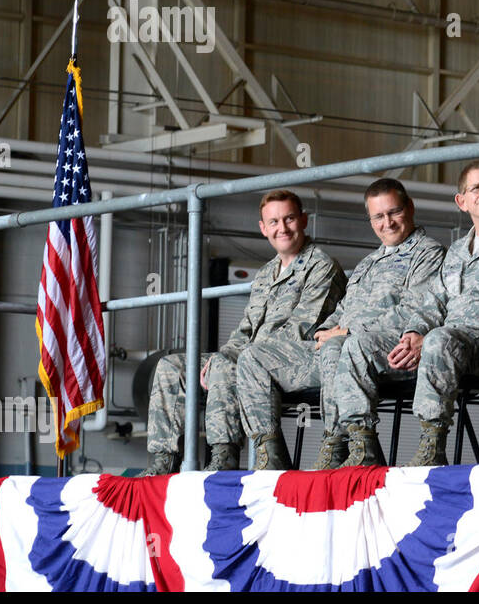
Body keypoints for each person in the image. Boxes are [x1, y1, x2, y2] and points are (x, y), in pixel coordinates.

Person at [328, 159, 479, 467]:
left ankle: (432, 446)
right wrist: (414, 333)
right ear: (462, 201)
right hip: (449, 345)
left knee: (440, 340)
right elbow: (433, 301)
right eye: (476, 187)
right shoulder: (457, 251)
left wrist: (433, 336)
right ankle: (362, 447)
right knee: (357, 346)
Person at [234, 179, 444, 470]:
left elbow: (416, 310)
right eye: (378, 216)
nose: (387, 223)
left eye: (393, 213)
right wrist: (326, 329)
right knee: (254, 358)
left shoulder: (428, 254)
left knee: (338, 345)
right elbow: (343, 309)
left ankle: (342, 445)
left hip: (387, 354)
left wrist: (348, 333)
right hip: (338, 352)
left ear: (410, 208)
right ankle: (270, 458)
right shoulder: (369, 262)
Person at [141, 190, 345, 474]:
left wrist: (237, 358)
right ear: (263, 228)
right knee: (171, 366)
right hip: (253, 356)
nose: (282, 228)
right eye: (273, 222)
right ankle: (163, 461)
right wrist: (221, 356)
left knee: (230, 363)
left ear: (304, 220)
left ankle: (223, 458)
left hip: (296, 360)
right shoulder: (266, 273)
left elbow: (302, 328)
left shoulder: (321, 266)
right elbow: (245, 328)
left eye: (289, 219)